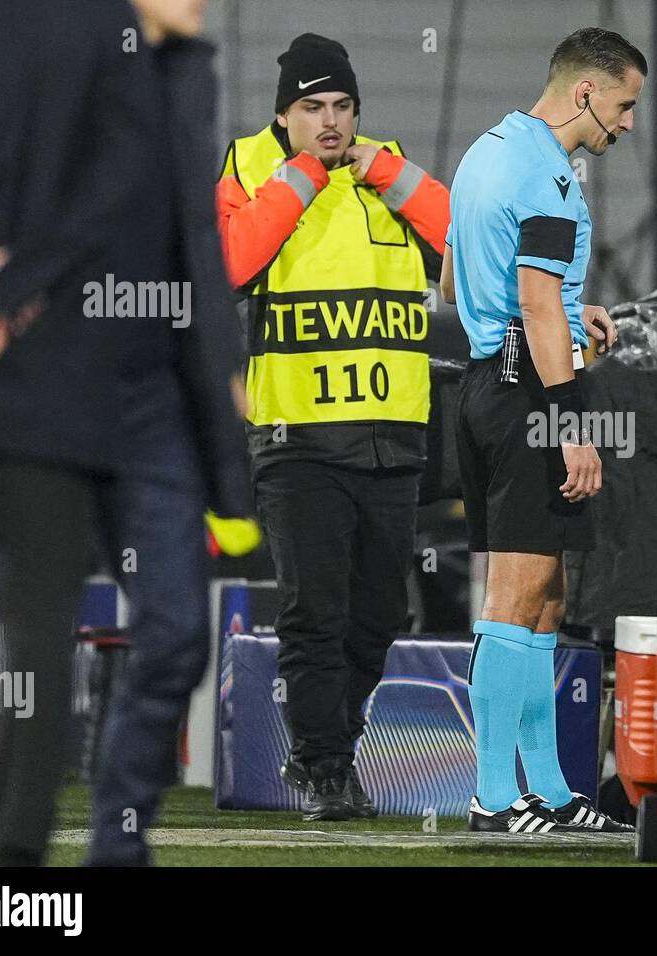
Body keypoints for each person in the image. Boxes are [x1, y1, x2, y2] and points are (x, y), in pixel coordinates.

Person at [0, 0, 174, 866]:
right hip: (57, 365)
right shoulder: (103, 28)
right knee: (40, 626)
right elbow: (119, 184)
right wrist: (15, 289)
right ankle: (22, 867)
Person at [217, 33, 451, 821]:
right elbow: (235, 260)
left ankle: (329, 750)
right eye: (312, 107)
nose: (331, 121)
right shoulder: (251, 165)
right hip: (299, 436)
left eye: (342, 106)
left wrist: (386, 174)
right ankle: (321, 769)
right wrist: (305, 176)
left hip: (393, 433)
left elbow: (467, 240)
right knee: (314, 612)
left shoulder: (388, 168)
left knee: (383, 616)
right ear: (284, 115)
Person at [442, 27, 641, 833]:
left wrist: (567, 309)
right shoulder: (550, 175)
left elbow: (459, 281)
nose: (627, 124)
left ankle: (552, 794)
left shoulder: (486, 151)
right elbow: (530, 301)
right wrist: (573, 427)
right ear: (587, 91)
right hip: (531, 393)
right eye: (625, 105)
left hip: (491, 382)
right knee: (516, 595)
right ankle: (493, 796)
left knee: (548, 596)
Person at [86, 0, 253, 866]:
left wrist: (221, 368)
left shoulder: (192, 72)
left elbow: (194, 236)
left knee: (180, 627)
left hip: (157, 394)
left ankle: (119, 844)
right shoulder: (57, 51)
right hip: (43, 386)